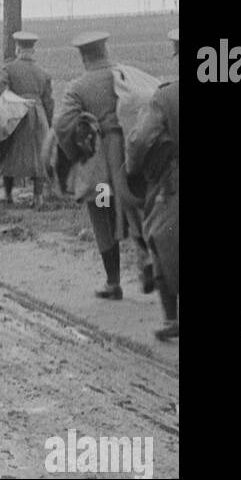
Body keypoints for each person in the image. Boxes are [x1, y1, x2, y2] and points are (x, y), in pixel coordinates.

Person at [53, 32, 152, 300]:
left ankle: (113, 282)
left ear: (84, 56)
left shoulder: (78, 86)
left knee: (102, 214)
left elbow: (62, 126)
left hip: (102, 165)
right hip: (133, 157)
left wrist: (76, 151)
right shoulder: (126, 75)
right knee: (134, 208)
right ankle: (147, 262)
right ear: (105, 51)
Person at [127, 29, 179, 341]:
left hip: (172, 184)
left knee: (161, 239)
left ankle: (172, 317)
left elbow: (140, 142)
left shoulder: (165, 97)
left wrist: (133, 172)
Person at [0, 31, 54, 208]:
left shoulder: (9, 69)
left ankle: (8, 195)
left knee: (9, 152)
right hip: (38, 114)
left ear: (18, 48)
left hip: (15, 114)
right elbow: (49, 101)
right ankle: (38, 197)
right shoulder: (43, 72)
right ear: (33, 49)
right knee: (38, 155)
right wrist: (48, 122)